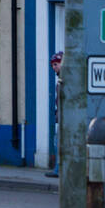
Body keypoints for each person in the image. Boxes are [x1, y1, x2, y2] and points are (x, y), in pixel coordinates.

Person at [46, 50, 63, 178]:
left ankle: (58, 170)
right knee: (57, 142)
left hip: (64, 118)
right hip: (61, 117)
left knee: (58, 143)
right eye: (52, 65)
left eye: (56, 64)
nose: (54, 67)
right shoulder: (61, 79)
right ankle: (58, 169)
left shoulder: (64, 79)